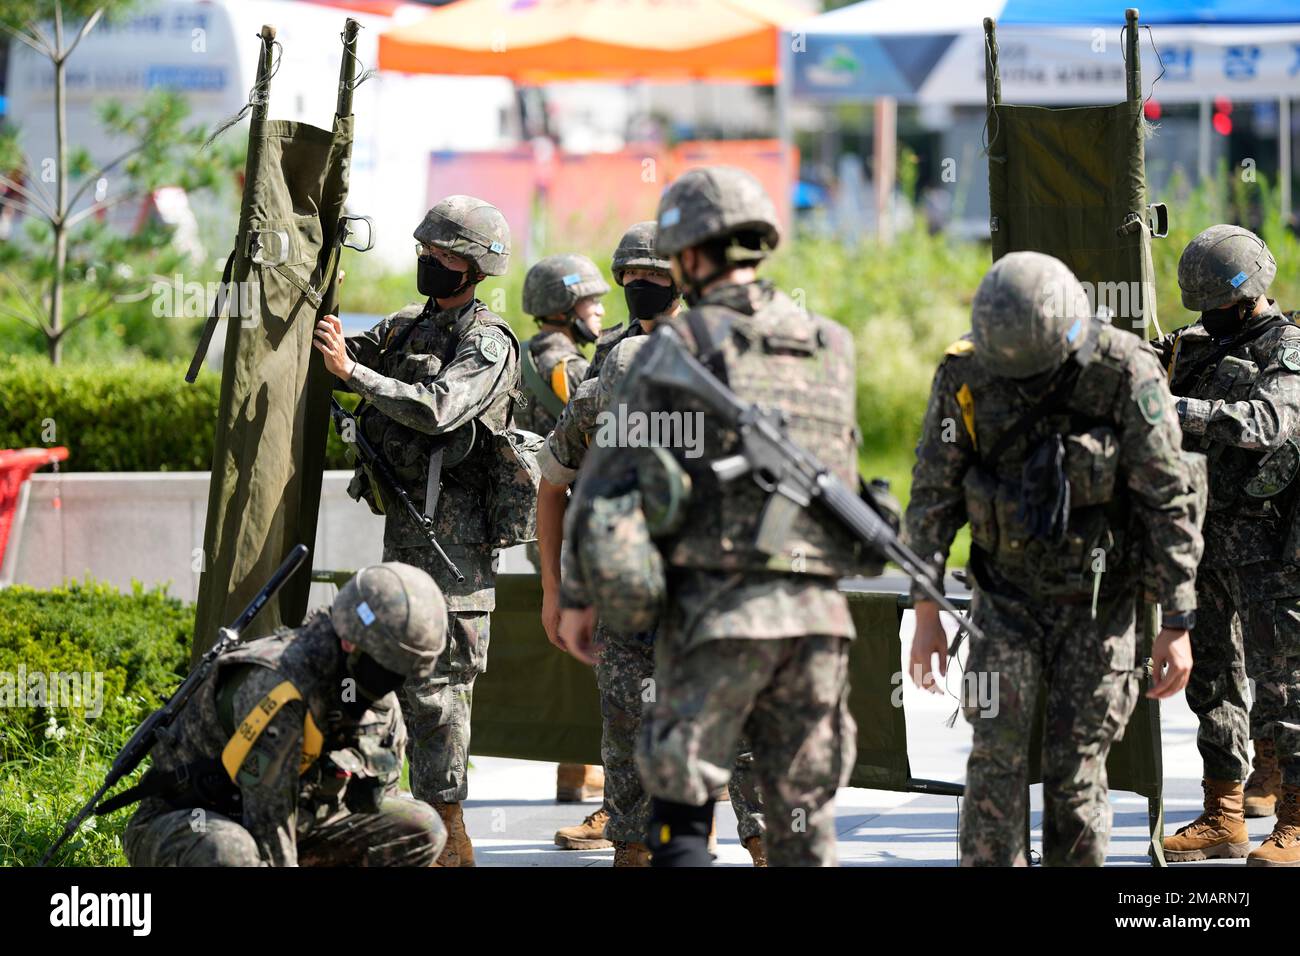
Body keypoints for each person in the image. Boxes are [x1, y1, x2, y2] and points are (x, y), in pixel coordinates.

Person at [558, 167, 867, 866]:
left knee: (684, 819)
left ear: (691, 255)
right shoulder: (831, 344)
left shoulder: (673, 350)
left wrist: (579, 598)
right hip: (816, 621)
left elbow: (605, 486)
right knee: (803, 826)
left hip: (712, 619)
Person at [906, 251, 1204, 866]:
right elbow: (933, 494)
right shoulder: (967, 372)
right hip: (1003, 600)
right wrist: (926, 611)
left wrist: (1177, 624)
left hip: (1100, 604)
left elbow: (1169, 497)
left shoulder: (1124, 370)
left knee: (1077, 775)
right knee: (994, 765)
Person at [540, 222, 767, 866]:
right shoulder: (613, 365)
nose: (641, 287)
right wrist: (558, 590)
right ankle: (634, 849)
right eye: (631, 278)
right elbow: (557, 484)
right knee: (628, 726)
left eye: (655, 277)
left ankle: (761, 842)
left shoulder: (729, 359)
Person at [312, 194, 518, 867]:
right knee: (388, 691)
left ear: (477, 266)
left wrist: (355, 374)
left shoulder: (487, 342)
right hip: (402, 547)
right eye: (425, 251)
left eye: (445, 255)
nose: (431, 262)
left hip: (454, 561)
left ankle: (452, 840)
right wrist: (324, 298)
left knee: (440, 705)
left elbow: (438, 409)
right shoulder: (406, 328)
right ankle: (402, 836)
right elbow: (334, 355)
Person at [122, 563, 448, 867]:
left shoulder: (375, 700)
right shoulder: (278, 687)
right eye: (387, 664)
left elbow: (375, 800)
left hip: (302, 820)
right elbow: (270, 832)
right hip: (194, 822)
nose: (393, 680)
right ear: (350, 642)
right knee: (232, 852)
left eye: (403, 671)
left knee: (421, 827)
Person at [1153, 225, 1300, 866]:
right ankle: (1224, 815)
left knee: (1283, 688)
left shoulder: (1287, 348)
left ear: (1244, 297)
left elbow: (1269, 422)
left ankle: (1292, 822)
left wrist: (1174, 409)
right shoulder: (1192, 347)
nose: (1205, 320)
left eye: (1214, 307)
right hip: (1205, 542)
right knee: (1212, 681)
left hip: (1272, 551)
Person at [515, 253, 608, 437]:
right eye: (593, 301)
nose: (601, 311)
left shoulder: (515, 355)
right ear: (561, 309)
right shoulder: (574, 370)